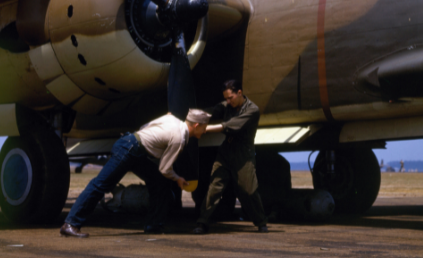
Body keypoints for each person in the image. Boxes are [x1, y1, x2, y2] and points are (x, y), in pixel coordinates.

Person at [60, 108, 211, 238]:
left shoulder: (171, 118)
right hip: (129, 149)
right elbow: (165, 169)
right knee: (101, 184)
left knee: (160, 182)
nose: (205, 131)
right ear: (196, 125)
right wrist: (177, 178)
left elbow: (144, 127)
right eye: (204, 128)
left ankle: (154, 226)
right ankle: (71, 224)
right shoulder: (179, 138)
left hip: (133, 145)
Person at [193, 80, 268, 234]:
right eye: (226, 98)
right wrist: (190, 116)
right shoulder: (227, 105)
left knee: (248, 190)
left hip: (243, 154)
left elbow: (229, 125)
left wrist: (204, 129)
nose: (228, 101)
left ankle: (261, 222)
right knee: (214, 187)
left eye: (230, 98)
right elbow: (211, 111)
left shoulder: (252, 110)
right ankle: (202, 222)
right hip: (226, 151)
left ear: (239, 93)